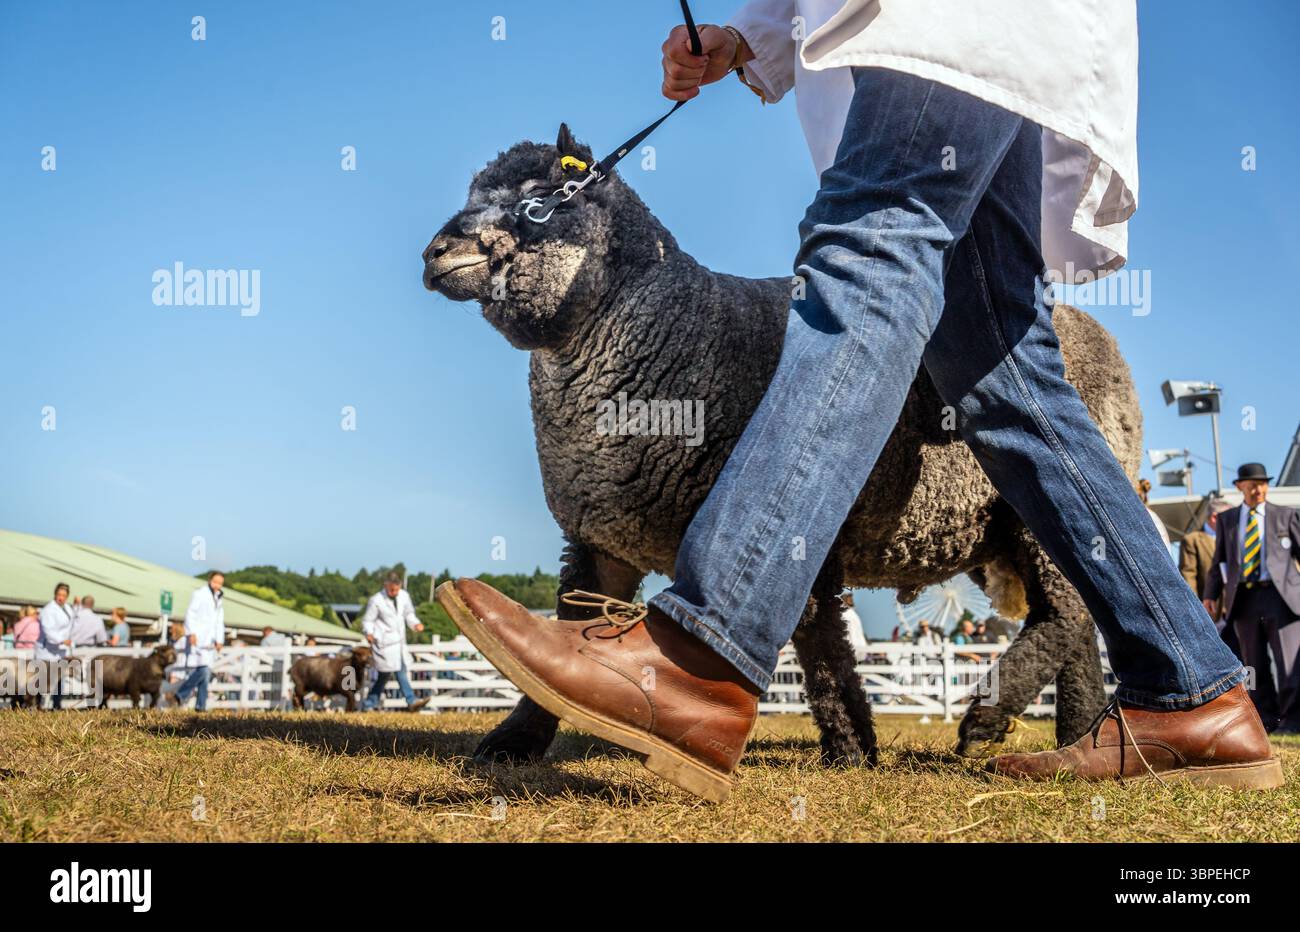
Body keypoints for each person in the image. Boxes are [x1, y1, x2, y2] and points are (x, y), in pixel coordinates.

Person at [442, 0, 1279, 797]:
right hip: (983, 34)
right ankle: (1188, 686)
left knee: (870, 253)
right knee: (999, 363)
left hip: (954, 22)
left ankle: (703, 653)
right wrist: (747, 33)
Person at [1204, 464, 1300, 733]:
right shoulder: (1228, 520)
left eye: (1263, 484)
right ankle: (1266, 721)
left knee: (1289, 662)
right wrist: (1210, 596)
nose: (1258, 489)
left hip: (1281, 597)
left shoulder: (1285, 515)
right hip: (1244, 599)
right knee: (1253, 665)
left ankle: (1293, 721)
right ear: (1240, 487)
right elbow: (1218, 561)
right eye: (1252, 484)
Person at [360, 573, 430, 712]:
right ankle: (411, 701)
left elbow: (409, 614)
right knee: (400, 671)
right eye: (391, 590)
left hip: (399, 643)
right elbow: (368, 620)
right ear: (385, 586)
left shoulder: (404, 596)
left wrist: (415, 624)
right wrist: (369, 633)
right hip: (384, 643)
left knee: (384, 677)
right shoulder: (376, 600)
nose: (394, 592)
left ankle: (369, 703)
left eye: (396, 589)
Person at [1181, 498, 1238, 651]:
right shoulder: (1193, 540)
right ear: (1214, 517)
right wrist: (1196, 609)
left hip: (1236, 609)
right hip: (1211, 613)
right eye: (1228, 517)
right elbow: (1189, 575)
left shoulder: (1235, 538)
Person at [172, 570, 226, 711]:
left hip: (210, 640)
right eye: (215, 582)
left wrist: (220, 639)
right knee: (204, 671)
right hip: (198, 638)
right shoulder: (200, 594)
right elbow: (190, 613)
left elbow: (219, 620)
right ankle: (182, 694)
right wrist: (192, 633)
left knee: (206, 673)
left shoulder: (219, 598)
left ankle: (200, 706)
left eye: (220, 583)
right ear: (209, 580)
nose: (217, 585)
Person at [36, 583, 75, 709]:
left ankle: (57, 705)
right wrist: (62, 640)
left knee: (59, 680)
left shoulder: (68, 609)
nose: (61, 597)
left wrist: (69, 642)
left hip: (60, 652)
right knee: (43, 680)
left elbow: (70, 628)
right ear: (55, 594)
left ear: (67, 596)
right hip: (47, 651)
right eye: (59, 595)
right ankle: (38, 706)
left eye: (64, 595)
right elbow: (48, 632)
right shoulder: (48, 610)